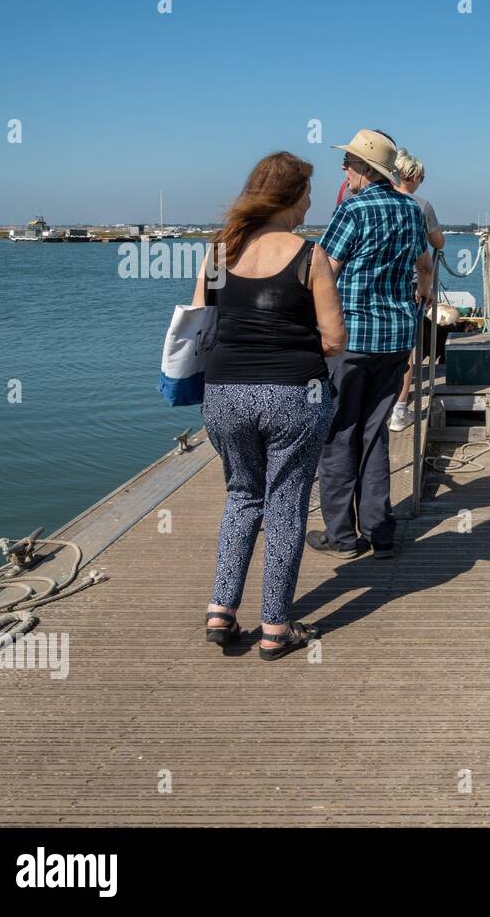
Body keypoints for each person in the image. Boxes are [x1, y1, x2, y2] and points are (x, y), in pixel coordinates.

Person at [195, 151, 347, 661]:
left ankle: (221, 610)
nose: (312, 200)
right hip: (291, 395)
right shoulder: (311, 257)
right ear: (289, 197)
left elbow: (199, 322)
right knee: (284, 505)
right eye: (307, 191)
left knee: (242, 495)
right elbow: (334, 340)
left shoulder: (220, 251)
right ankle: (276, 628)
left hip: (223, 394)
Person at [305, 129, 433, 560]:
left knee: (340, 434)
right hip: (397, 338)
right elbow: (425, 265)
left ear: (363, 168)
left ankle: (342, 535)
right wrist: (425, 292)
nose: (343, 169)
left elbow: (325, 272)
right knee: (374, 433)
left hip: (351, 342)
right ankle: (381, 531)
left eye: (348, 162)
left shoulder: (352, 209)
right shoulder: (411, 210)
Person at [389, 154, 444, 431]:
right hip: (410, 284)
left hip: (379, 284)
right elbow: (437, 242)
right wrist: (426, 289)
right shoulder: (420, 206)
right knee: (407, 351)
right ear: (412, 176)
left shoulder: (371, 200)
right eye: (421, 177)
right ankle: (399, 410)